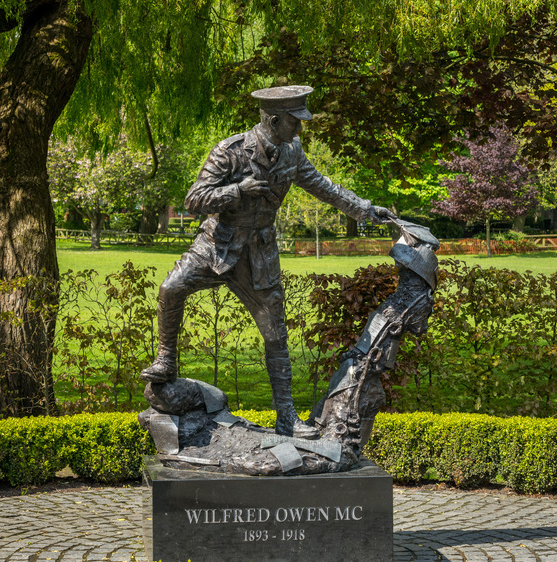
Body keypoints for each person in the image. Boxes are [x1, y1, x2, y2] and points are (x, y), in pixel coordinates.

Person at [140, 85, 395, 437]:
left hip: (259, 251)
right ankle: (166, 359)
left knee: (276, 335)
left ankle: (287, 417)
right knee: (171, 288)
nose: (300, 128)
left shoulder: (292, 151)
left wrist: (366, 209)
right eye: (295, 121)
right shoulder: (230, 152)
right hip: (219, 243)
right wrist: (237, 190)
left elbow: (324, 187)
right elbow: (194, 199)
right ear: (274, 120)